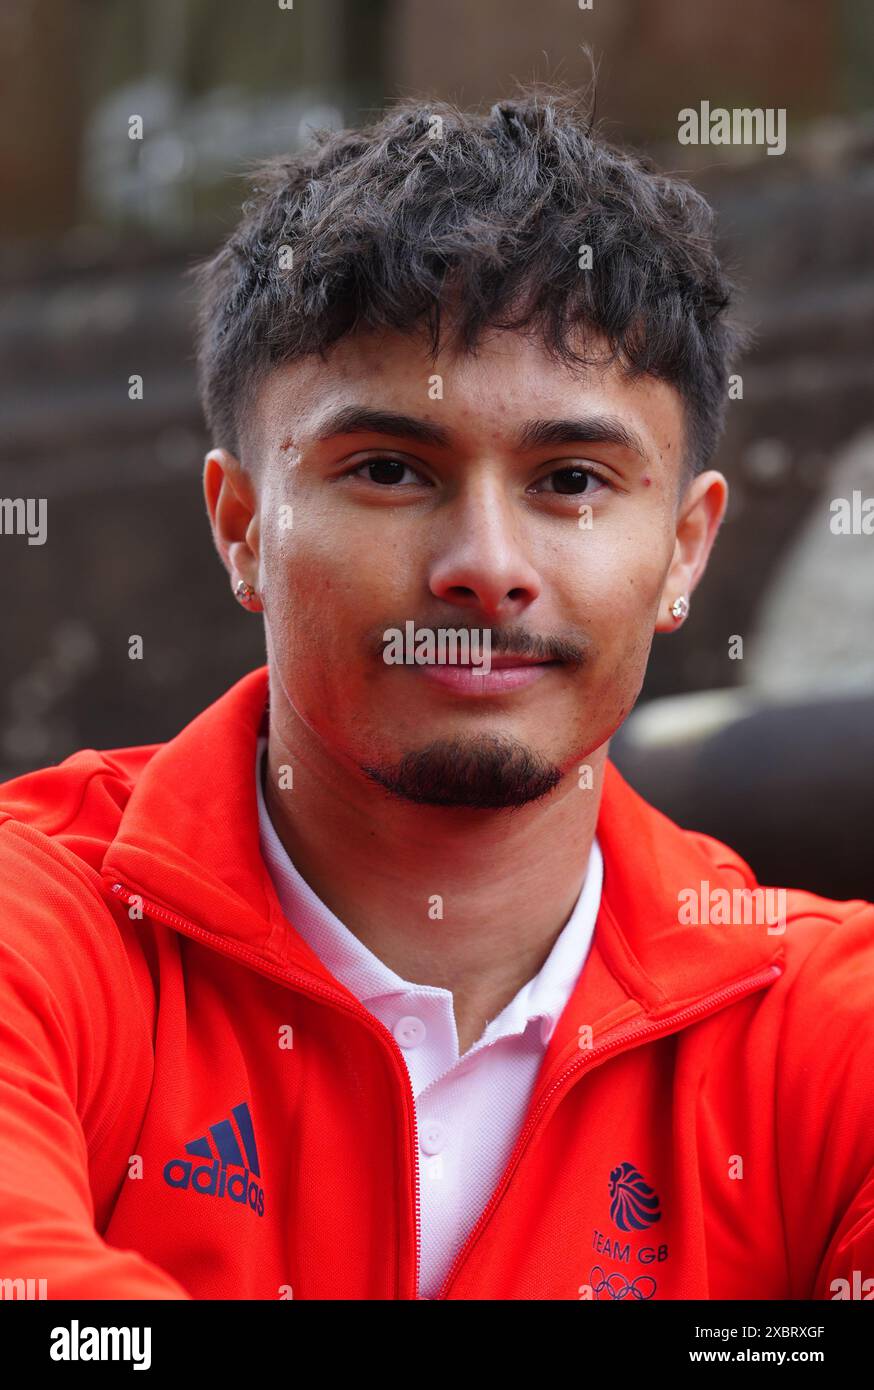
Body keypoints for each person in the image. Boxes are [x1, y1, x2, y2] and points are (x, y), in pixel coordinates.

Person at [0, 86, 871, 1302]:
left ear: (683, 549)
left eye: (570, 478)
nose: (487, 568)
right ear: (242, 528)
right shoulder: (35, 930)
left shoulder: (830, 1031)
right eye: (389, 470)